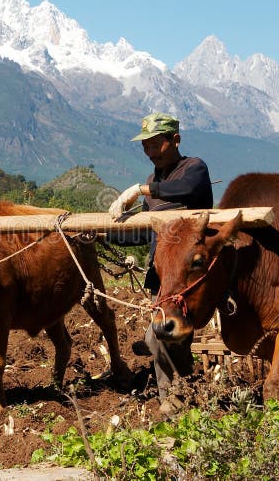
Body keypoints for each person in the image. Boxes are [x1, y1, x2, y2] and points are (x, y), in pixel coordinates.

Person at [108, 112, 213, 414]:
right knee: (167, 338)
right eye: (146, 146)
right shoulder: (155, 180)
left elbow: (186, 192)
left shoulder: (193, 169)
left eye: (156, 145)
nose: (150, 151)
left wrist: (140, 190)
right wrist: (105, 236)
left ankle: (170, 398)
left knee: (164, 335)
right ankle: (178, 385)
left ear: (175, 140)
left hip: (191, 276)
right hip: (164, 274)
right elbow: (144, 232)